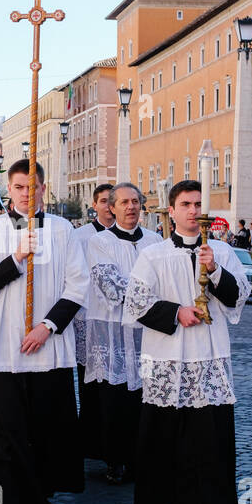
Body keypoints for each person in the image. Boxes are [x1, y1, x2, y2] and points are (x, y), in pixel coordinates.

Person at [0, 159, 88, 504]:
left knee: (44, 432)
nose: (25, 193)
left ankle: (38, 498)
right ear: (9, 189)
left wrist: (47, 326)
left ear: (42, 188)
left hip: (47, 350)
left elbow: (78, 285)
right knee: (7, 436)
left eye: (31, 186)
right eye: (18, 187)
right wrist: (17, 257)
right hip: (3, 352)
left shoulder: (62, 229)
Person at [124, 180, 251, 504]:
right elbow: (135, 302)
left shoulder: (221, 252)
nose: (194, 210)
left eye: (198, 204)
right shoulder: (154, 255)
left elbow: (238, 297)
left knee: (210, 438)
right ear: (172, 210)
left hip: (209, 357)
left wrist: (217, 272)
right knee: (172, 437)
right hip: (167, 357)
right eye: (186, 204)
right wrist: (176, 312)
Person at [83, 182, 161, 483]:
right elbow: (112, 287)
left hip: (148, 334)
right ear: (111, 208)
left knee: (146, 397)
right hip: (113, 331)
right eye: (124, 202)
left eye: (136, 202)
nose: (131, 207)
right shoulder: (100, 242)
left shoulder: (155, 240)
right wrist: (150, 299)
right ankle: (115, 459)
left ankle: (143, 457)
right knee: (114, 399)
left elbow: (163, 281)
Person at [71, 183, 114, 449]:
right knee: (90, 381)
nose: (108, 206)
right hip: (88, 314)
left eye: (113, 201)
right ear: (95, 205)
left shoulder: (129, 236)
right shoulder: (82, 236)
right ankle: (90, 439)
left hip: (119, 319)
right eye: (103, 201)